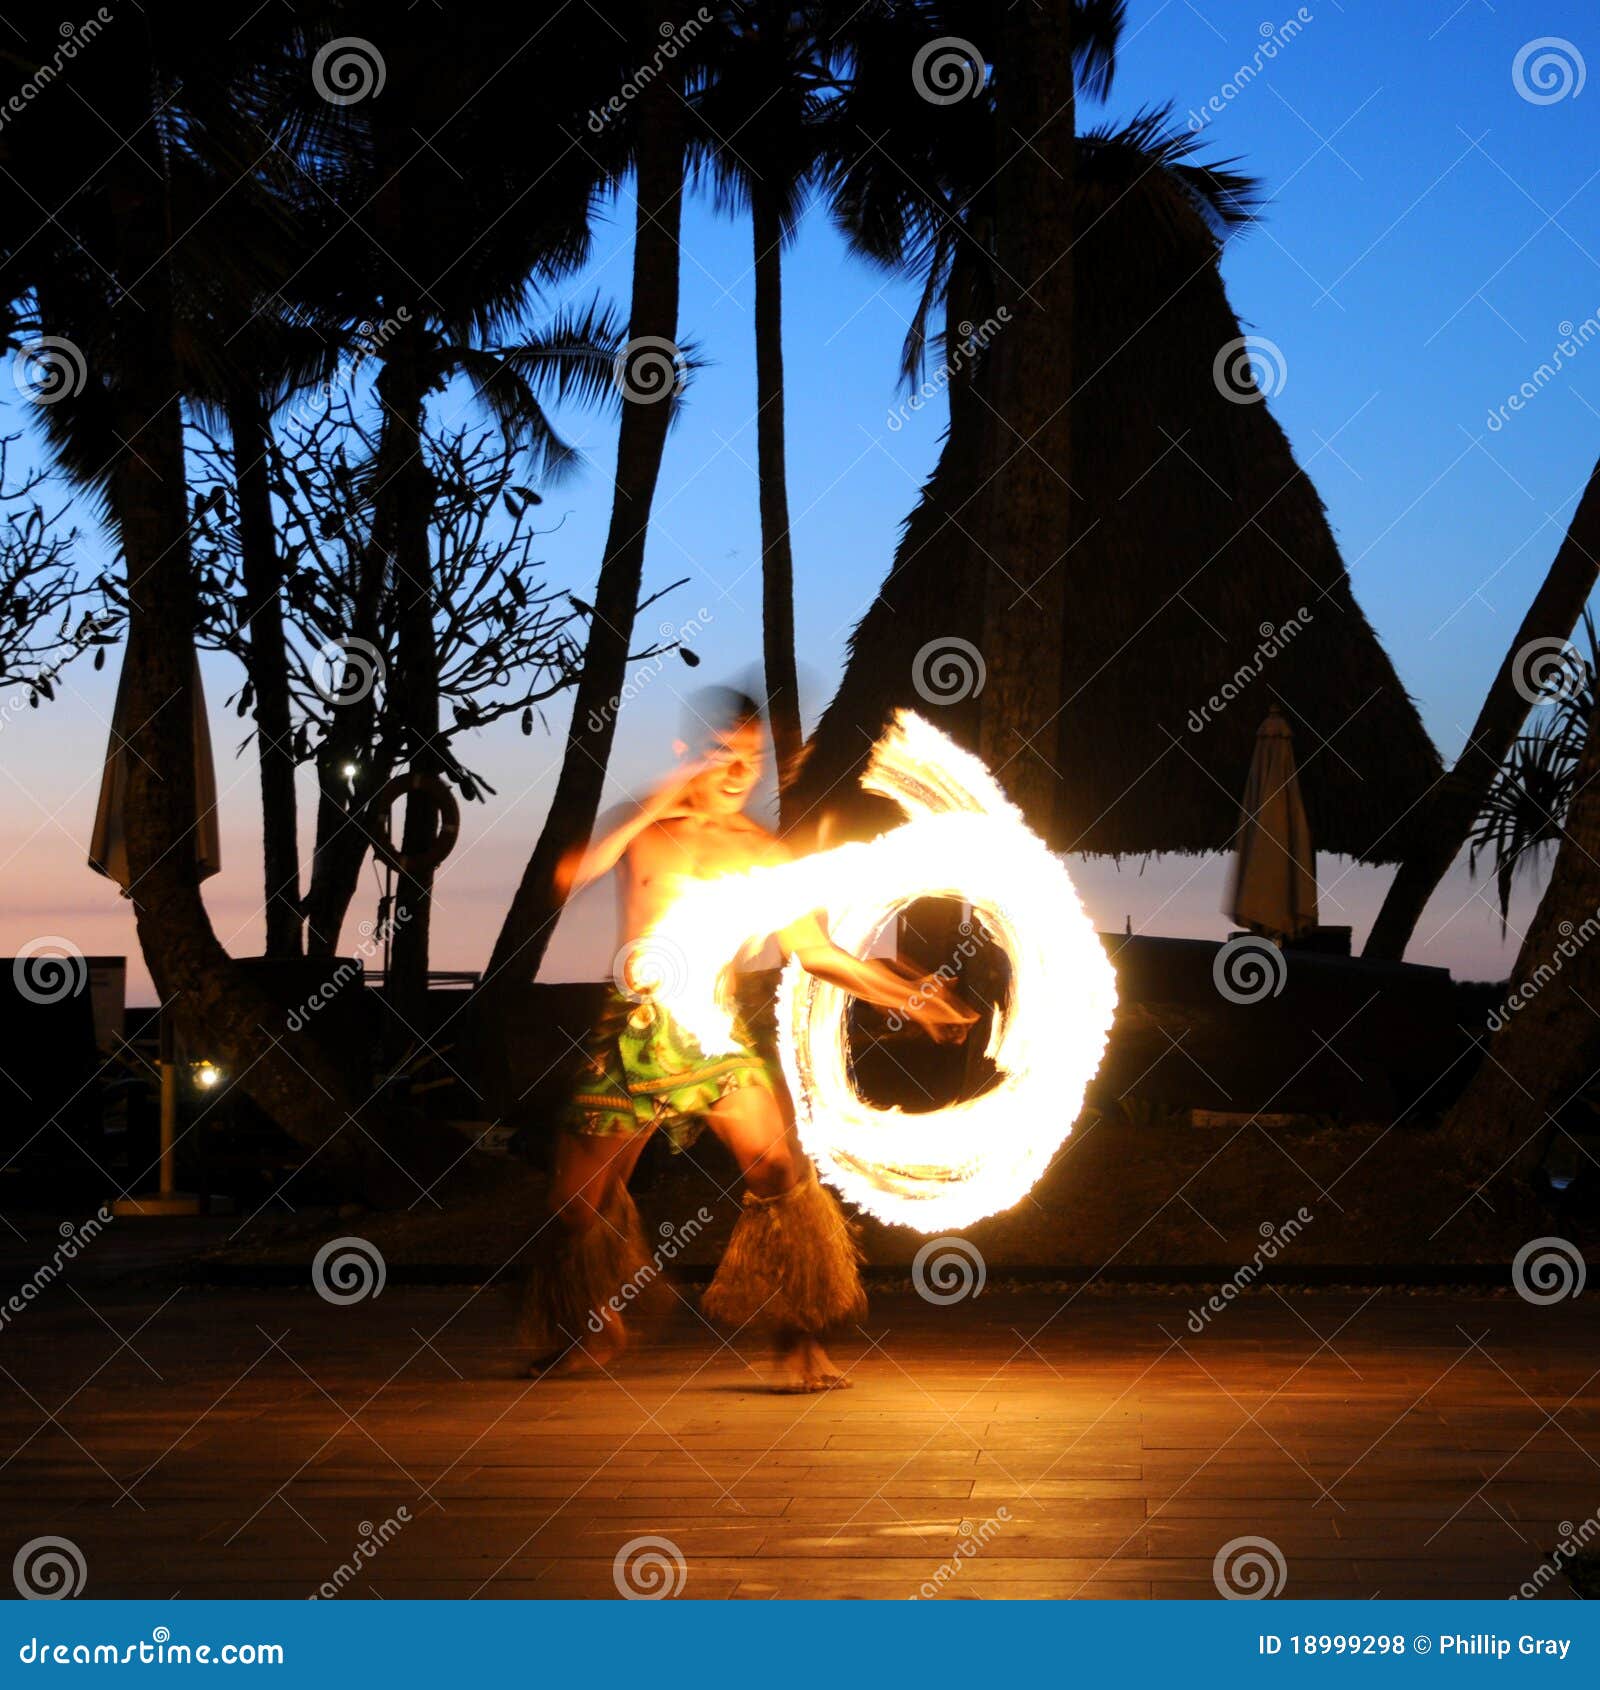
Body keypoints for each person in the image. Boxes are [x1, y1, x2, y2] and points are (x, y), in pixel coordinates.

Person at [519, 688, 974, 1392]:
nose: (738, 772)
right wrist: (659, 797)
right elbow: (564, 878)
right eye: (721, 753)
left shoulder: (761, 852)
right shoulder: (646, 830)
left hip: (713, 1041)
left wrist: (909, 996)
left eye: (751, 758)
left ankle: (798, 1344)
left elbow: (818, 953)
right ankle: (596, 1329)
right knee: (575, 1205)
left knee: (779, 1176)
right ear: (687, 752)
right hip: (632, 1036)